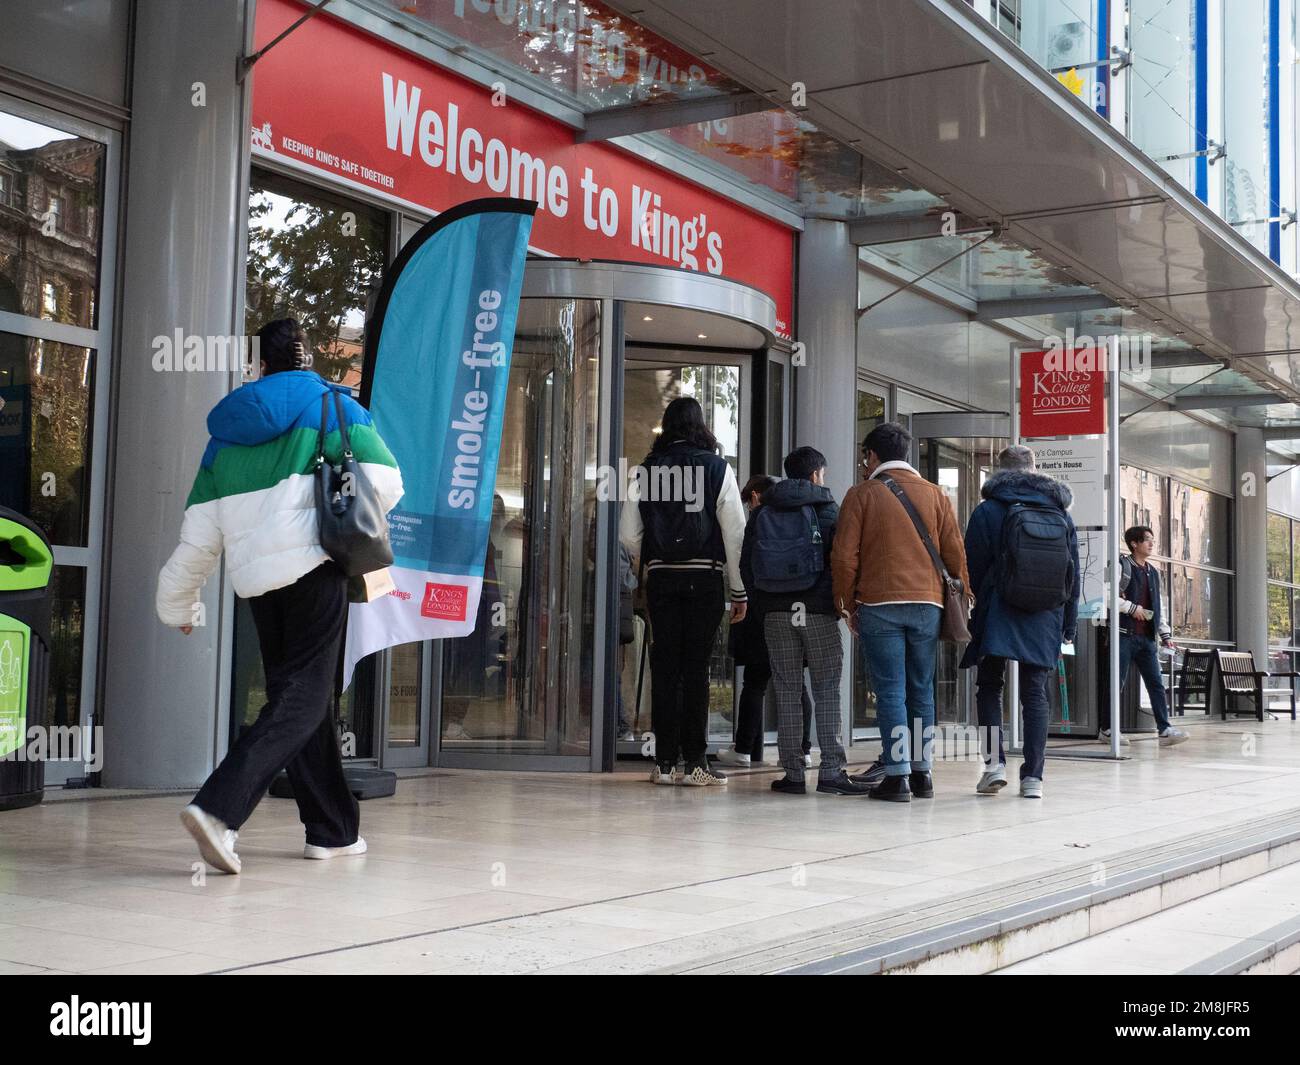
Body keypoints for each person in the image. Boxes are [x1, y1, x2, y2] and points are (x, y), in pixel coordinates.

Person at [156, 318, 404, 874]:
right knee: (305, 698)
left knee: (304, 698)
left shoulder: (226, 431)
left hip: (258, 585)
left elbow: (200, 531)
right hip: (315, 567)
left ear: (258, 364)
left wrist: (180, 600)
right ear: (304, 357)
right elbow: (388, 482)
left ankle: (332, 830)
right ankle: (218, 809)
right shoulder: (333, 409)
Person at [832, 421, 970, 802]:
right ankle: (923, 773)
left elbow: (845, 557)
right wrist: (964, 593)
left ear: (872, 456)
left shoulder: (861, 494)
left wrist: (844, 604)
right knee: (921, 689)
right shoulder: (936, 495)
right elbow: (955, 552)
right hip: (928, 603)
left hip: (879, 604)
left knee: (890, 691)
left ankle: (897, 776)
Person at [619, 396, 747, 786]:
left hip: (662, 579)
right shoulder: (716, 468)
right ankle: (696, 764)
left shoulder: (645, 472)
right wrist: (739, 590)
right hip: (705, 578)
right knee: (696, 669)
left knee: (664, 667)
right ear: (700, 425)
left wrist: (650, 564)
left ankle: (663, 764)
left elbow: (628, 534)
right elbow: (735, 533)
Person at [743, 447, 869, 796]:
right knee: (827, 688)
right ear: (815, 475)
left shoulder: (763, 509)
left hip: (776, 613)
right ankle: (830, 771)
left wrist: (764, 604)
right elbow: (844, 561)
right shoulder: (829, 509)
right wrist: (841, 604)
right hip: (818, 612)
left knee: (786, 689)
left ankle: (793, 774)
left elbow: (746, 563)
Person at [961, 445, 1080, 799]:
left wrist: (979, 606)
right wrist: (1068, 624)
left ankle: (994, 764)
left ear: (999, 472)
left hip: (999, 606)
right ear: (1035, 470)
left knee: (989, 685)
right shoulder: (1060, 512)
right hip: (1045, 611)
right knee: (1035, 693)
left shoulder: (988, 510)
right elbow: (1071, 576)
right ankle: (1033, 778)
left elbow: (973, 565)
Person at [718, 474, 815, 768]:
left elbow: (743, 567)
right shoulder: (800, 517)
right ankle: (804, 749)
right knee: (797, 684)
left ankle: (744, 749)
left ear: (756, 497)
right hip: (795, 610)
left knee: (755, 683)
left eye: (749, 502)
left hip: (761, 613)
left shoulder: (758, 522)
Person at [1100, 526, 1190, 747]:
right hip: (1123, 635)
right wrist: (1131, 608)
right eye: (1148, 540)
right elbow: (1107, 596)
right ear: (1134, 543)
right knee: (1115, 684)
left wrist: (1165, 634)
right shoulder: (1122, 566)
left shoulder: (1153, 572)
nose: (1152, 544)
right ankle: (1107, 729)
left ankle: (1165, 729)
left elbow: (1158, 606)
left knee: (1156, 684)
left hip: (1148, 639)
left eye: (1152, 540)